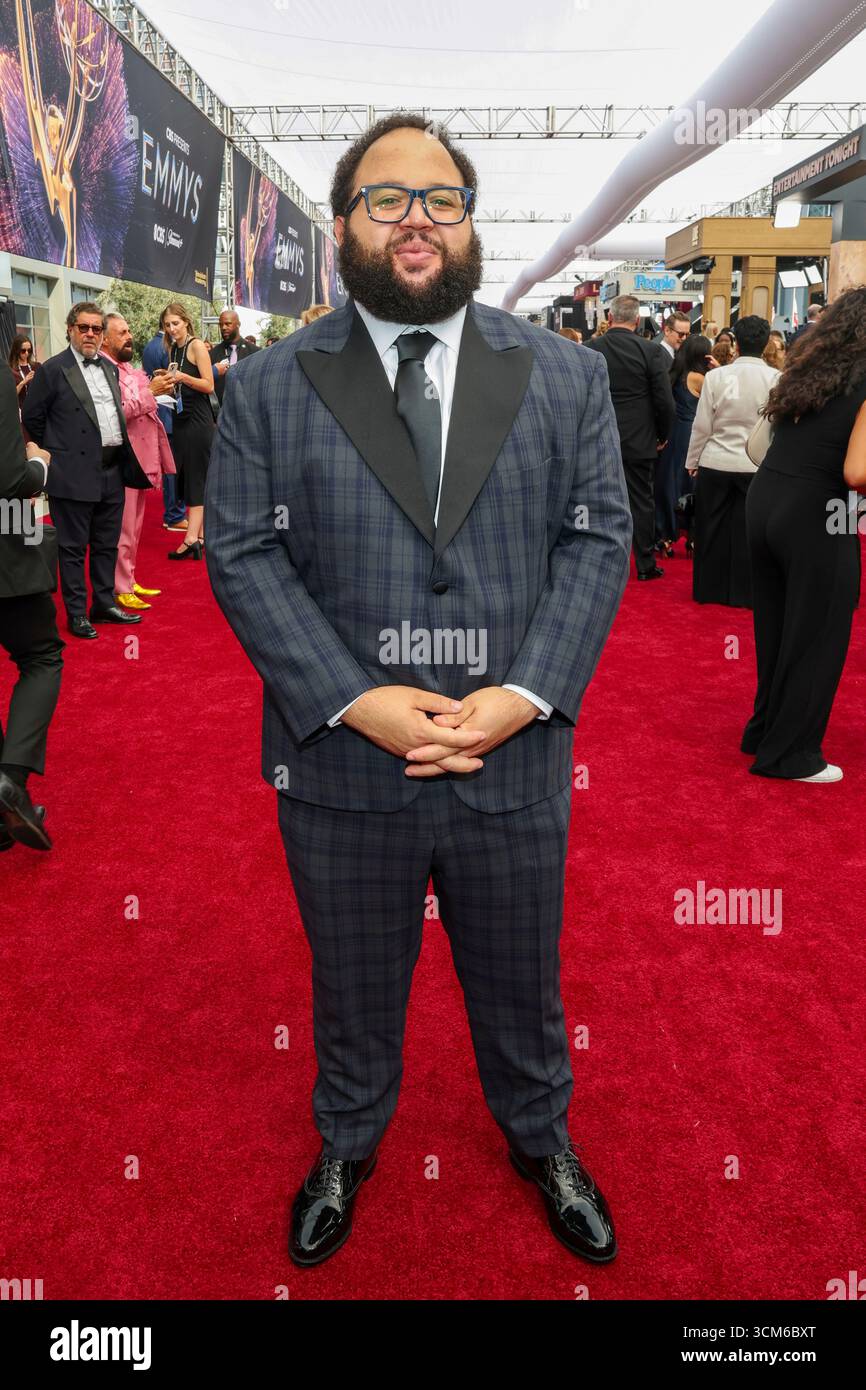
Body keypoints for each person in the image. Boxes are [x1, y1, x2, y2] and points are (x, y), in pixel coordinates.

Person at [206, 111, 632, 1269]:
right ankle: (347, 1141)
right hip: (341, 764)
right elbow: (241, 553)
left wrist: (527, 692)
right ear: (342, 222)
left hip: (514, 757)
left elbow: (597, 543)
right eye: (384, 197)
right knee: (348, 979)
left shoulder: (565, 373)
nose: (414, 218)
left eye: (438, 197)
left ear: (467, 219)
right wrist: (356, 698)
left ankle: (540, 1138)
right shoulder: (267, 384)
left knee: (520, 975)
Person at [741, 286, 866, 783]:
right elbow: (857, 471)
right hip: (819, 512)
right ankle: (790, 755)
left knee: (775, 626)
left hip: (766, 498)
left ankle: (765, 731)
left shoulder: (810, 369)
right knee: (816, 633)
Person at [22, 303, 149, 639]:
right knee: (73, 548)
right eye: (84, 328)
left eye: (96, 329)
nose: (90, 334)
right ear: (70, 329)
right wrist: (56, 455)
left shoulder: (109, 369)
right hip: (72, 472)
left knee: (107, 543)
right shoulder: (52, 369)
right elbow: (33, 418)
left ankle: (103, 603)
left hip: (111, 471)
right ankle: (77, 613)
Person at [0, 365, 62, 851]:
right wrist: (38, 461)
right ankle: (11, 780)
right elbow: (12, 479)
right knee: (41, 658)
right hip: (6, 544)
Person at [686, 315, 780, 607]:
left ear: (735, 342)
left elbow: (703, 424)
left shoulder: (716, 376)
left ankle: (708, 589)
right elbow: (777, 427)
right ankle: (744, 593)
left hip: (716, 460)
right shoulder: (777, 379)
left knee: (709, 527)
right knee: (748, 531)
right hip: (757, 466)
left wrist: (693, 460)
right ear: (766, 344)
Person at [587, 293, 674, 579]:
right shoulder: (651, 351)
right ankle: (645, 564)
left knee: (597, 502)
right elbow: (664, 400)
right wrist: (662, 434)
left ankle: (598, 562)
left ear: (609, 318)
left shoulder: (591, 349)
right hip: (640, 440)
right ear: (637, 321)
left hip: (598, 439)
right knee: (641, 501)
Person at [100, 314, 175, 610]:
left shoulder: (128, 369)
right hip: (123, 460)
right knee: (123, 528)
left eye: (129, 330)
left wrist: (155, 389)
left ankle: (128, 580)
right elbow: (115, 414)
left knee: (135, 527)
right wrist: (150, 393)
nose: (129, 336)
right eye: (122, 332)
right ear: (106, 339)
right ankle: (119, 587)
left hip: (141, 460)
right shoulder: (105, 371)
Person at [162, 302, 215, 560]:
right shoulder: (174, 348)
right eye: (167, 324)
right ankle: (201, 536)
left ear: (186, 322)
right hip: (180, 418)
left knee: (195, 478)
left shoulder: (195, 346)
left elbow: (208, 384)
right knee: (188, 476)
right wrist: (168, 381)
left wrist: (183, 378)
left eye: (175, 323)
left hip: (198, 421)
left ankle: (191, 538)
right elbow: (181, 385)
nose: (172, 329)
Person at [654, 334, 714, 558]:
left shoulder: (675, 375)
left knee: (669, 483)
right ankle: (693, 536)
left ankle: (665, 535)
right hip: (692, 434)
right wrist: (719, 367)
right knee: (692, 485)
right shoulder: (701, 378)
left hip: (673, 433)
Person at [143, 312, 186, 534]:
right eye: (170, 324)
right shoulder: (165, 347)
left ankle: (174, 513)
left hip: (159, 411)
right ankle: (175, 515)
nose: (173, 329)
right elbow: (170, 380)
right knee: (173, 467)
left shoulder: (150, 345)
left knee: (171, 467)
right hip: (168, 412)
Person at [209, 309, 259, 406]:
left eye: (228, 324)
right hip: (220, 413)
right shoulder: (212, 354)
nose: (223, 328)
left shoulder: (255, 352)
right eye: (221, 324)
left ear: (238, 324)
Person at [8, 335, 38, 418]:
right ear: (16, 350)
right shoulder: (10, 371)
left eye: (29, 350)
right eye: (23, 351)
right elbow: (10, 395)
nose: (27, 353)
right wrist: (24, 381)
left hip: (36, 412)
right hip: (20, 414)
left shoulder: (36, 366)